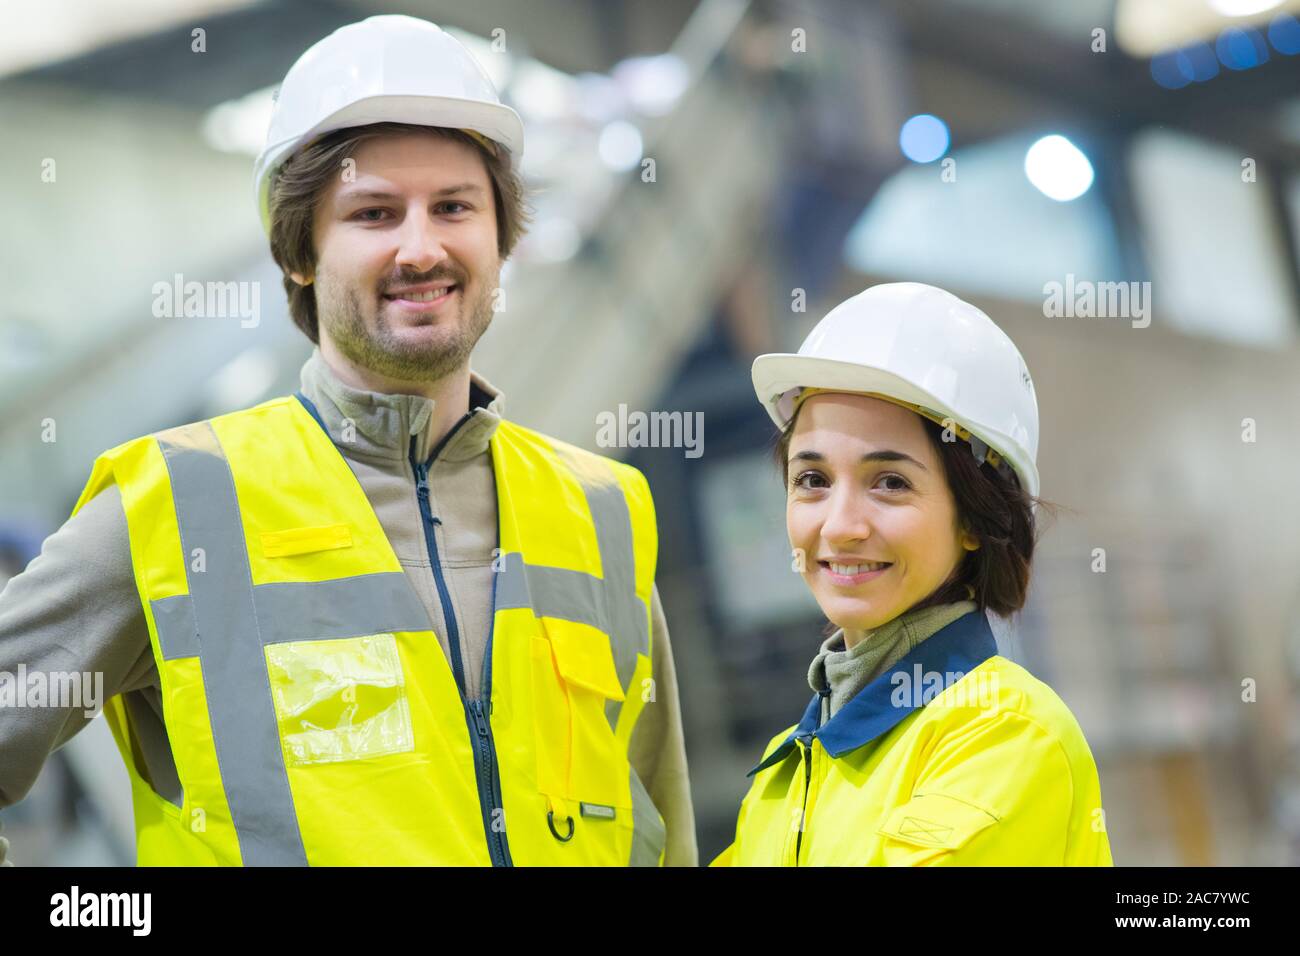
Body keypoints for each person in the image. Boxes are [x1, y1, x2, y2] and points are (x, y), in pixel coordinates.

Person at [0, 15, 696, 867]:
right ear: (301, 252)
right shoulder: (176, 508)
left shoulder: (603, 512)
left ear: (501, 237)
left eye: (454, 207)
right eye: (374, 212)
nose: (421, 246)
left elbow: (658, 828)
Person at [712, 282, 1112, 866]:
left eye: (890, 483)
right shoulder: (787, 769)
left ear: (975, 517)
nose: (840, 525)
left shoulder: (1003, 733)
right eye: (812, 480)